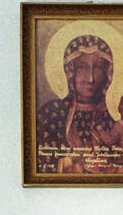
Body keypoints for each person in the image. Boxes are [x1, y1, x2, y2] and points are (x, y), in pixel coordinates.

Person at [36, 34, 118, 174]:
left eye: (98, 68)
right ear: (69, 72)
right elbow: (39, 166)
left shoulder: (111, 120)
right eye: (82, 67)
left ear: (107, 74)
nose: (91, 78)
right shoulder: (50, 114)